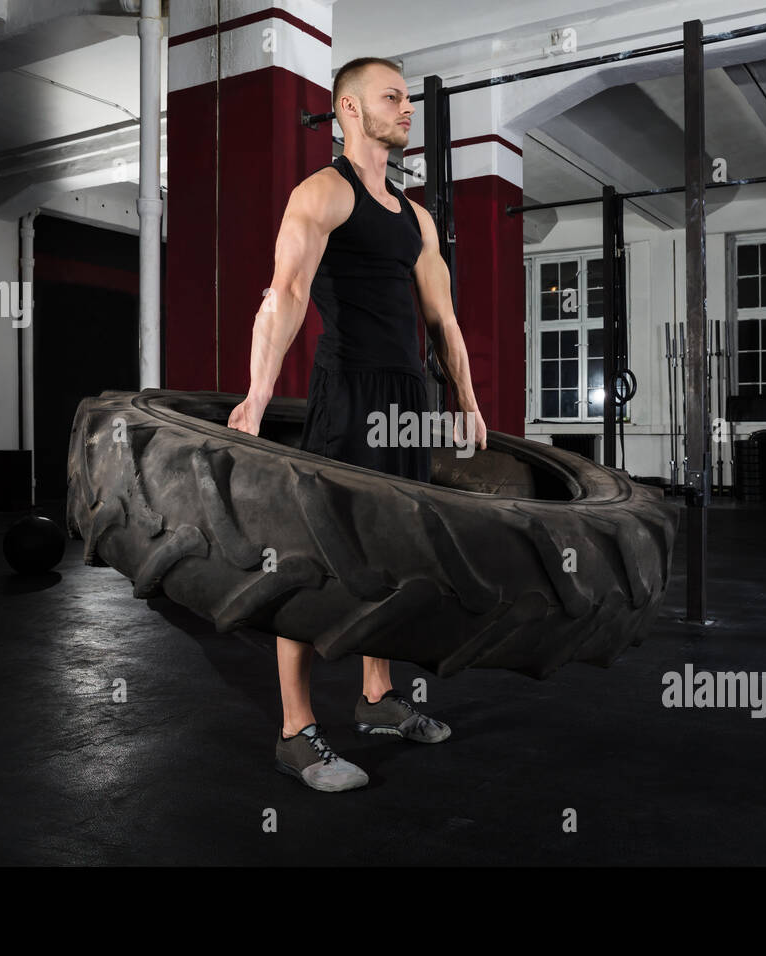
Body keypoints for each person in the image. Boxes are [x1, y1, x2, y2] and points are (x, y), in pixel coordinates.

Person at [228, 56, 487, 792]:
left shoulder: (417, 218)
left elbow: (443, 319)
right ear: (348, 109)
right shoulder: (322, 194)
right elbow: (282, 296)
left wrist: (466, 402)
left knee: (394, 553)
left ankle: (375, 699)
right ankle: (296, 731)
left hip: (409, 403)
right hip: (348, 396)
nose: (408, 110)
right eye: (393, 98)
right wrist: (255, 393)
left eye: (408, 98)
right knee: (314, 560)